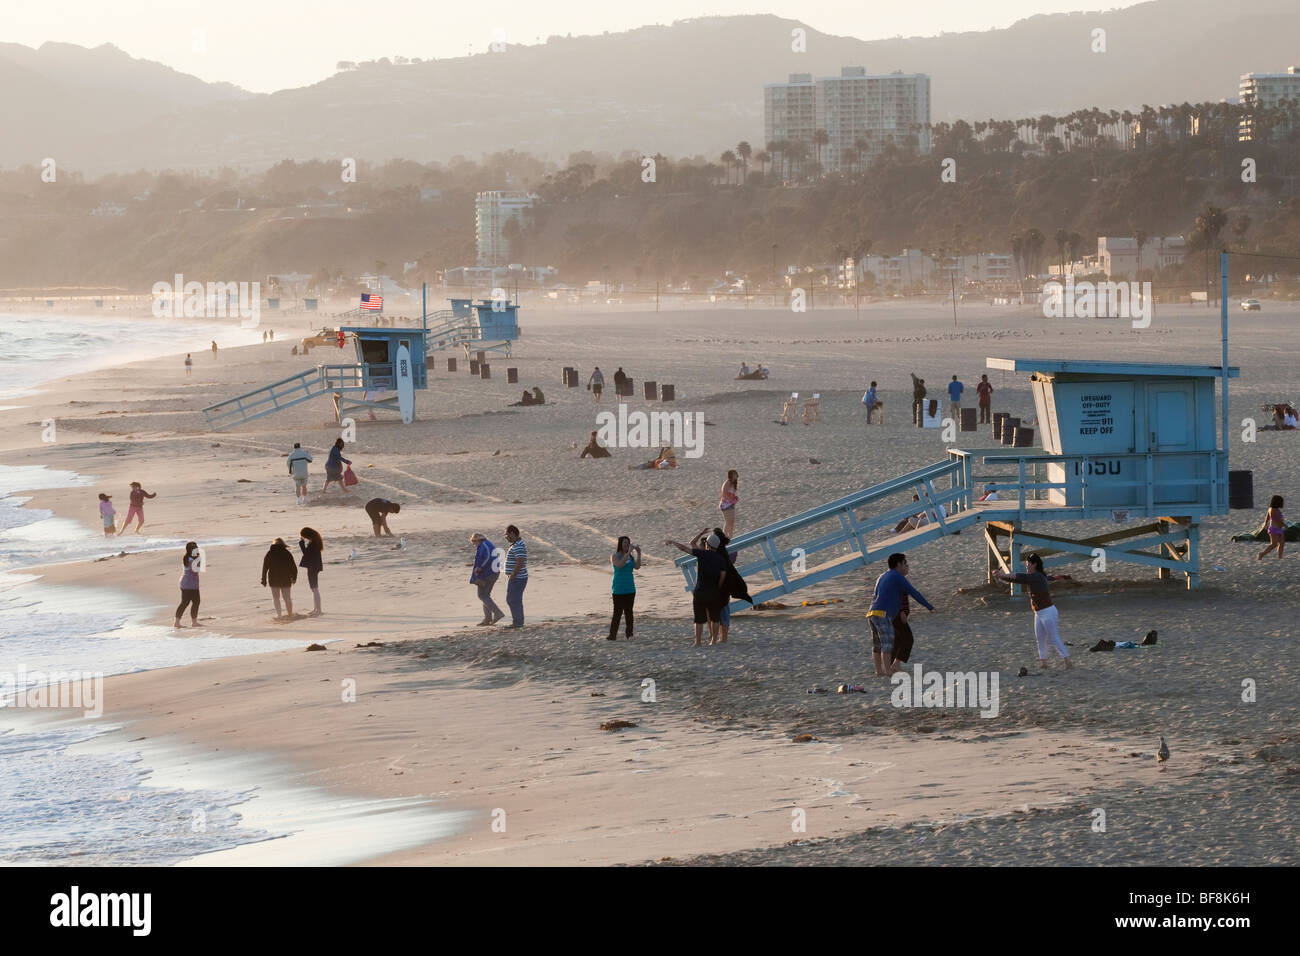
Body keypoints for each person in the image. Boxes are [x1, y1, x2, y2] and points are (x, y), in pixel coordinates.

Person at [995, 553, 1072, 669]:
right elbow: (1018, 579)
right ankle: (1044, 663)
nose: (1026, 567)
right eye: (1026, 564)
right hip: (1038, 613)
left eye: (1028, 564)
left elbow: (1020, 577)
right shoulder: (1037, 576)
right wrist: (1002, 577)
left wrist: (1001, 575)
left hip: (1048, 612)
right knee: (1040, 638)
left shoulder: (1036, 576)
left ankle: (1068, 661)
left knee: (1054, 637)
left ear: (1034, 565)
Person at [867, 553, 935, 676]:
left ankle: (879, 671)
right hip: (883, 614)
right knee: (887, 644)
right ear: (898, 565)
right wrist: (929, 607)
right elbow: (914, 593)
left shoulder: (882, 576)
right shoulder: (897, 576)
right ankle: (888, 671)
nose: (907, 566)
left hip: (872, 612)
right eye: (905, 563)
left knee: (877, 645)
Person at [665, 529, 727, 646]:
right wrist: (718, 587)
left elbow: (684, 548)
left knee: (698, 618)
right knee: (715, 618)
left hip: (700, 590)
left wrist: (673, 542)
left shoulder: (702, 554)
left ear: (707, 544)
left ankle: (697, 642)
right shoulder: (721, 559)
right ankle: (713, 641)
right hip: (713, 591)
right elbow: (723, 575)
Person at [608, 536, 642, 640]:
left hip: (630, 588)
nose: (627, 545)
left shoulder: (630, 557)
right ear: (620, 544)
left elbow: (637, 566)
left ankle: (629, 634)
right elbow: (619, 565)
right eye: (624, 543)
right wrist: (628, 553)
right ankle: (612, 635)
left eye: (628, 543)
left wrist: (639, 554)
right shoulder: (615, 556)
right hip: (618, 588)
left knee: (629, 613)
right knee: (617, 613)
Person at [470, 532, 505, 626]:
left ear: (478, 540)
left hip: (488, 573)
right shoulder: (485, 544)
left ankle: (497, 613)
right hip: (491, 572)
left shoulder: (484, 545)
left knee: (482, 595)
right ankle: (487, 618)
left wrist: (480, 567)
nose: (473, 544)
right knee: (485, 595)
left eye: (474, 542)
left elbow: (488, 557)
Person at [260, 537, 298, 620]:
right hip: (286, 579)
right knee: (287, 598)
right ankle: (290, 614)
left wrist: (263, 580)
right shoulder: (287, 553)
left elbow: (265, 568)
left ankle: (279, 615)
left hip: (273, 579)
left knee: (276, 598)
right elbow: (293, 567)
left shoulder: (269, 553)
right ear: (282, 544)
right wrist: (294, 577)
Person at [503, 524, 528, 628]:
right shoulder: (516, 544)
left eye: (506, 534)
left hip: (518, 578)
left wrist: (513, 573)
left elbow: (520, 561)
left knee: (513, 600)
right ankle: (518, 622)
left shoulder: (518, 545)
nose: (506, 537)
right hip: (516, 577)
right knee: (513, 599)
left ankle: (518, 623)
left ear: (512, 533)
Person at [175, 541, 203, 628]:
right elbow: (195, 570)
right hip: (188, 583)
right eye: (194, 548)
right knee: (185, 602)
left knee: (195, 601)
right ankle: (177, 622)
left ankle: (194, 622)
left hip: (192, 583)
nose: (196, 549)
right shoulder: (189, 559)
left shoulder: (192, 558)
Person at [298, 527, 324, 616]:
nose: (304, 538)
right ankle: (316, 608)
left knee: (315, 588)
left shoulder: (313, 543)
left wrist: (301, 543)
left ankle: (319, 610)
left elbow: (306, 553)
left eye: (304, 536)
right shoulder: (315, 541)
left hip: (313, 567)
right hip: (314, 566)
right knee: (313, 588)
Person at [1258, 495, 1286, 560]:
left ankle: (1280, 558)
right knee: (1273, 544)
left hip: (1279, 529)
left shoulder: (1274, 509)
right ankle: (1262, 554)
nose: (1282, 503)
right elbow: (1277, 519)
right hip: (1274, 529)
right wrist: (1285, 525)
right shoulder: (1273, 510)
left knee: (1281, 543)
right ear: (1277, 502)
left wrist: (1265, 523)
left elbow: (1267, 517)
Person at [719, 469, 739, 537]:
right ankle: (724, 536)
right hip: (725, 504)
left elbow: (731, 493)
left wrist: (734, 498)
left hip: (731, 504)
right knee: (728, 521)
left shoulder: (734, 483)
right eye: (735, 474)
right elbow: (724, 495)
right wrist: (731, 500)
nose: (736, 475)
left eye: (736, 474)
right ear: (731, 475)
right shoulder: (727, 483)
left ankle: (730, 536)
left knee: (732, 521)